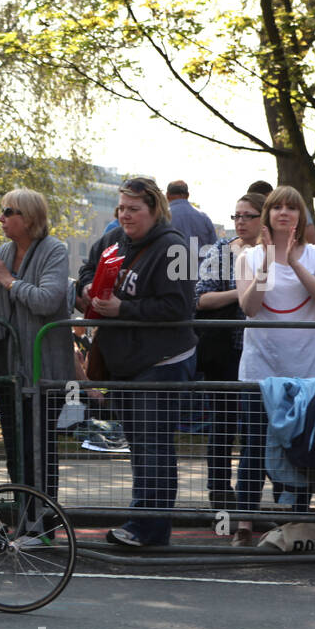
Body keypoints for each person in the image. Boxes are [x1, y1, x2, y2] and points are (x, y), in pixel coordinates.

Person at [80, 177, 196, 548]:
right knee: (140, 444)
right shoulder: (114, 238)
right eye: (121, 208)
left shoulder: (174, 246)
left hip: (162, 360)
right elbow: (86, 268)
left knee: (153, 444)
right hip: (124, 362)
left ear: (154, 209)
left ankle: (149, 528)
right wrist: (86, 287)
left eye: (133, 209)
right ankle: (141, 523)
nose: (125, 215)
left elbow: (179, 307)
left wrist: (123, 308)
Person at [232, 186, 315, 546]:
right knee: (254, 448)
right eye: (277, 207)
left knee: (300, 447)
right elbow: (249, 307)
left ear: (301, 215)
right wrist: (267, 262)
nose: (284, 213)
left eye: (292, 207)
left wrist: (293, 262)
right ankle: (244, 524)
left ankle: (295, 522)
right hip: (260, 370)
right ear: (268, 215)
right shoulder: (248, 257)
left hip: (308, 370)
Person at [0, 188, 71, 498]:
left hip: (44, 370)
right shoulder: (2, 252)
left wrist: (8, 280)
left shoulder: (55, 250)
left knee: (38, 449)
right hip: (9, 367)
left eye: (8, 212)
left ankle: (45, 520)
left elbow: (46, 301)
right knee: (16, 448)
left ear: (28, 218)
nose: (0, 218)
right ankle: (23, 514)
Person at [194, 191, 266, 512]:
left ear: (264, 218)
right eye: (236, 215)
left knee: (257, 426)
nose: (240, 222)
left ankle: (250, 496)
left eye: (248, 215)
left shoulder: (276, 254)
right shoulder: (222, 251)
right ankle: (220, 493)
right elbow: (201, 298)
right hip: (226, 351)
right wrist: (242, 291)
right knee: (222, 423)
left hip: (263, 352)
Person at [166, 179, 217, 250]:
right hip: (200, 261)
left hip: (173, 261)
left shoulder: (162, 218)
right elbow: (214, 248)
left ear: (167, 195)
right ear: (187, 195)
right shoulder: (204, 217)